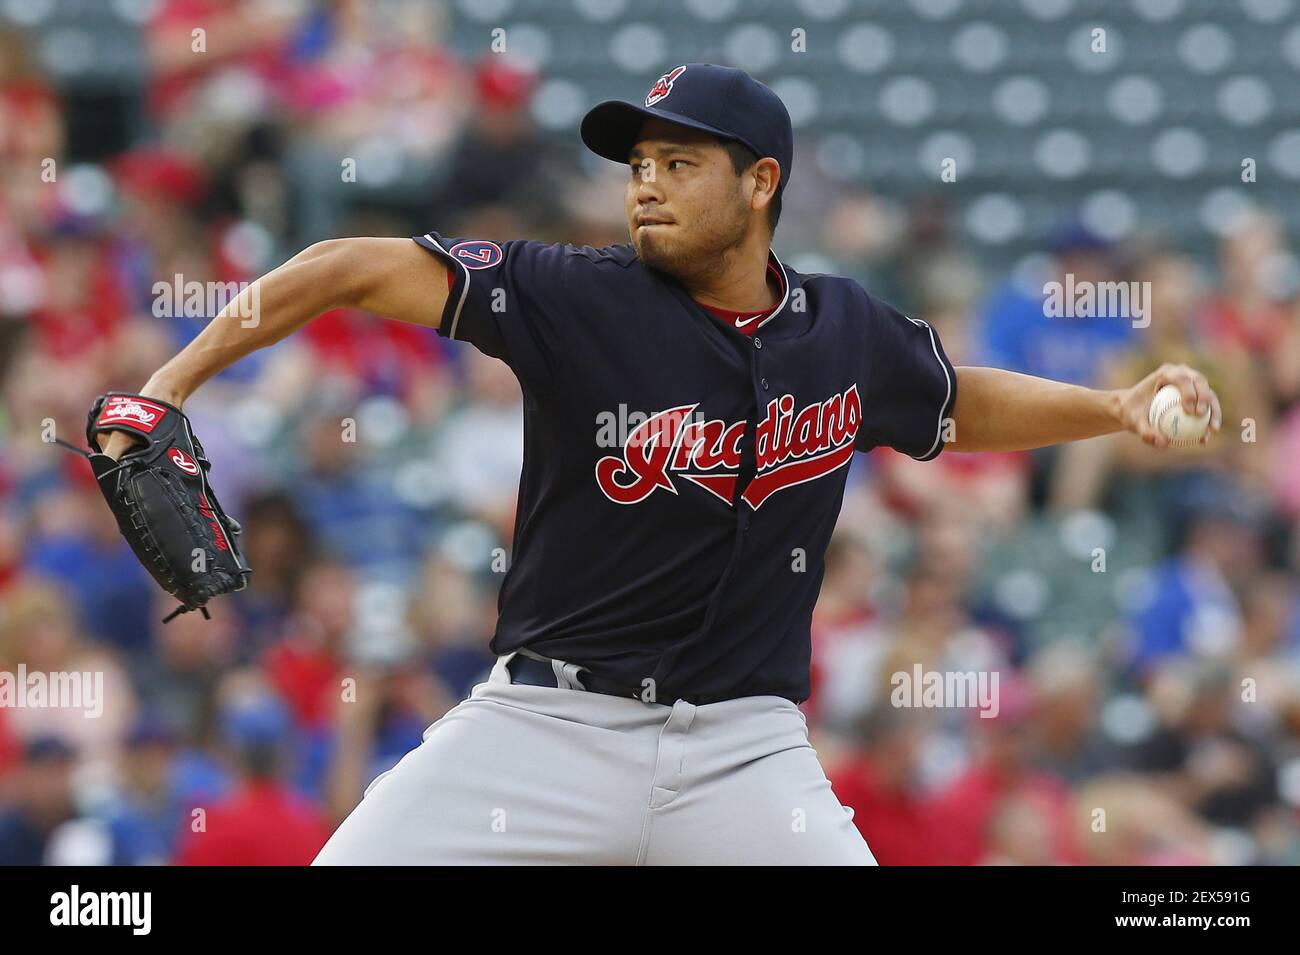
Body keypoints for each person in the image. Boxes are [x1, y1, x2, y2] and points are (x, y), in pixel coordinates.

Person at [96, 64, 1222, 865]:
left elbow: (955, 402)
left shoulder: (845, 329)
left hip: (743, 748)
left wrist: (1116, 406)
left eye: (678, 162)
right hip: (546, 728)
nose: (644, 183)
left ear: (760, 184)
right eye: (639, 163)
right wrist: (174, 381)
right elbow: (347, 265)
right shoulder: (572, 296)